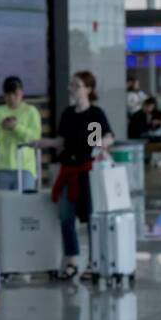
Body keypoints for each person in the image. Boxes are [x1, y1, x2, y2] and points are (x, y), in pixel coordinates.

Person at [33, 71, 114, 280]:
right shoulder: (68, 114)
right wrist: (45, 143)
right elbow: (62, 142)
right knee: (66, 217)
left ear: (88, 89)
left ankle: (92, 262)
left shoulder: (95, 114)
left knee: (90, 218)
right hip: (68, 170)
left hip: (87, 171)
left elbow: (102, 139)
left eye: (77, 85)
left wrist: (104, 145)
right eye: (72, 85)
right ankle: (71, 260)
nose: (73, 89)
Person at [0, 76, 42, 193]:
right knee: (5, 208)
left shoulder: (30, 111)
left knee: (25, 207)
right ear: (4, 95)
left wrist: (17, 127)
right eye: (8, 95)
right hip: (3, 168)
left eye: (15, 94)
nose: (12, 98)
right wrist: (2, 127)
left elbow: (35, 138)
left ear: (21, 93)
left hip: (25, 168)